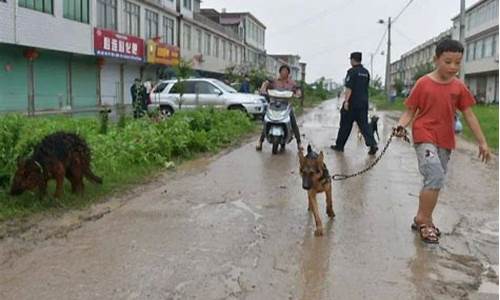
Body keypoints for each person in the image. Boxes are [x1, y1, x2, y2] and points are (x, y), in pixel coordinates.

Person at [394, 39, 491, 244]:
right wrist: (401, 125)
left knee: (435, 181)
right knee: (435, 174)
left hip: (445, 139)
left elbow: (469, 115)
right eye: (448, 62)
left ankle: (420, 216)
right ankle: (426, 222)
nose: (453, 67)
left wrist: (482, 142)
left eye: (458, 63)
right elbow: (410, 110)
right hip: (424, 135)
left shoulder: (459, 87)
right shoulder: (423, 83)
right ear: (436, 59)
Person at [331, 52, 378, 155]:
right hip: (363, 103)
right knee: (364, 125)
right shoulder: (366, 72)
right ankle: (372, 144)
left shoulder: (351, 72)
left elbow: (349, 88)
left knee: (345, 125)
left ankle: (339, 146)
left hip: (352, 104)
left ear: (352, 60)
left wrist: (346, 101)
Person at [256, 65, 303, 152]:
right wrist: (263, 88)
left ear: (288, 73)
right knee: (267, 120)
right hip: (274, 105)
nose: (284, 73)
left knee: (293, 121)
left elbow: (297, 90)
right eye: (282, 71)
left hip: (286, 106)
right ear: (280, 72)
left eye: (286, 71)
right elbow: (265, 85)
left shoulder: (292, 83)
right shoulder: (274, 82)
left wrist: (298, 93)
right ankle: (260, 141)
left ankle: (299, 143)